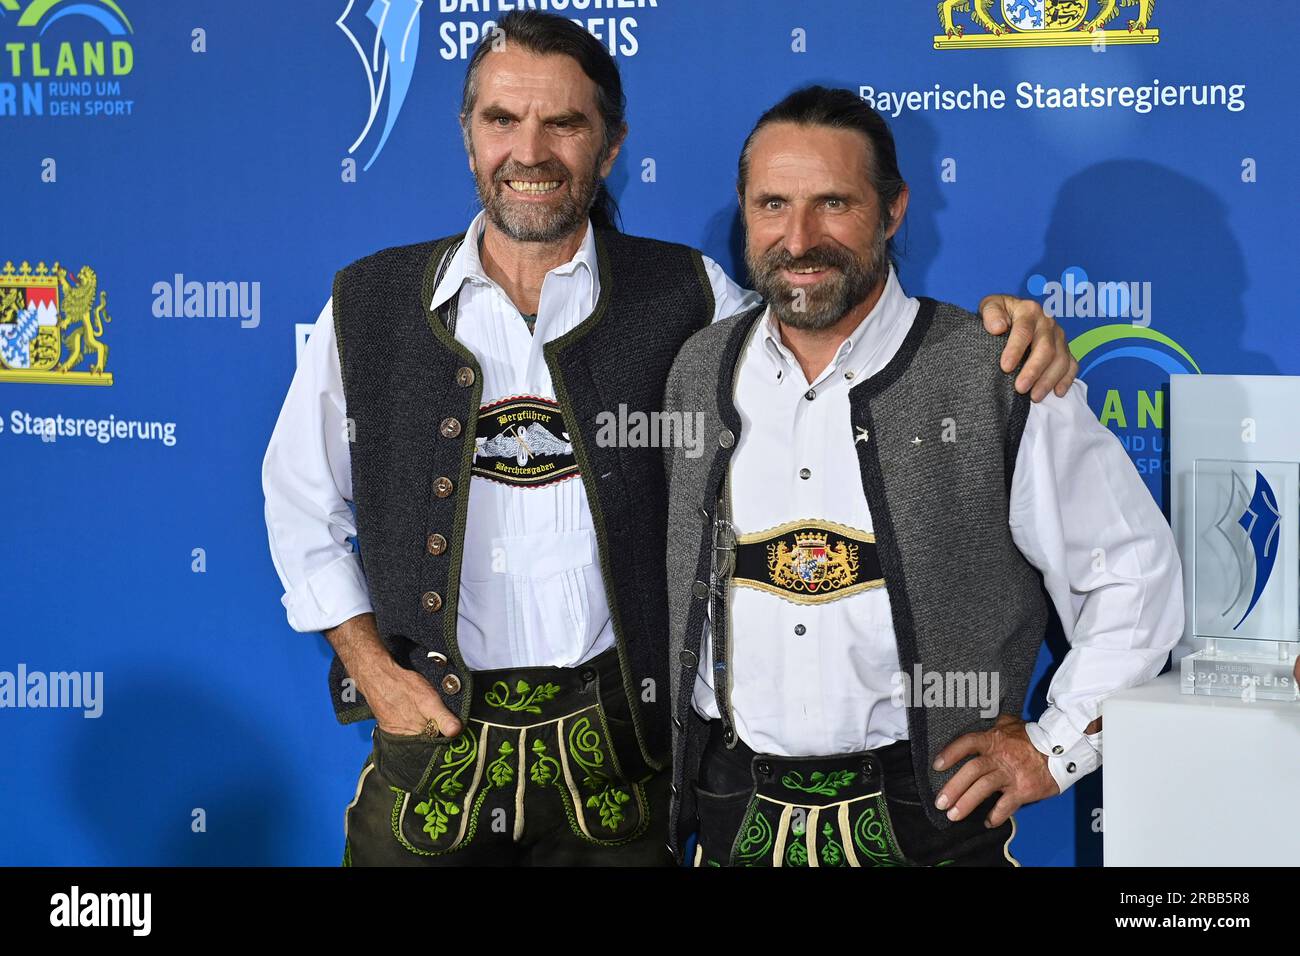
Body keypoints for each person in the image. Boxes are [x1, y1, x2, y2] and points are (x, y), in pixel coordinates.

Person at [262, 13, 1077, 867]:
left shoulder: (691, 296)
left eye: (564, 124)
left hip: (624, 758)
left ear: (610, 146)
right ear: (468, 135)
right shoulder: (369, 303)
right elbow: (299, 501)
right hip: (430, 748)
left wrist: (1000, 334)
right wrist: (372, 669)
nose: (529, 151)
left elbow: (824, 343)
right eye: (501, 119)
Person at [662, 85, 1184, 867]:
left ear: (894, 209)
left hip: (931, 817)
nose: (798, 237)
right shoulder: (700, 369)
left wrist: (1056, 748)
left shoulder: (996, 371)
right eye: (772, 204)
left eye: (833, 203)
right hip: (735, 811)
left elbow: (1135, 578)